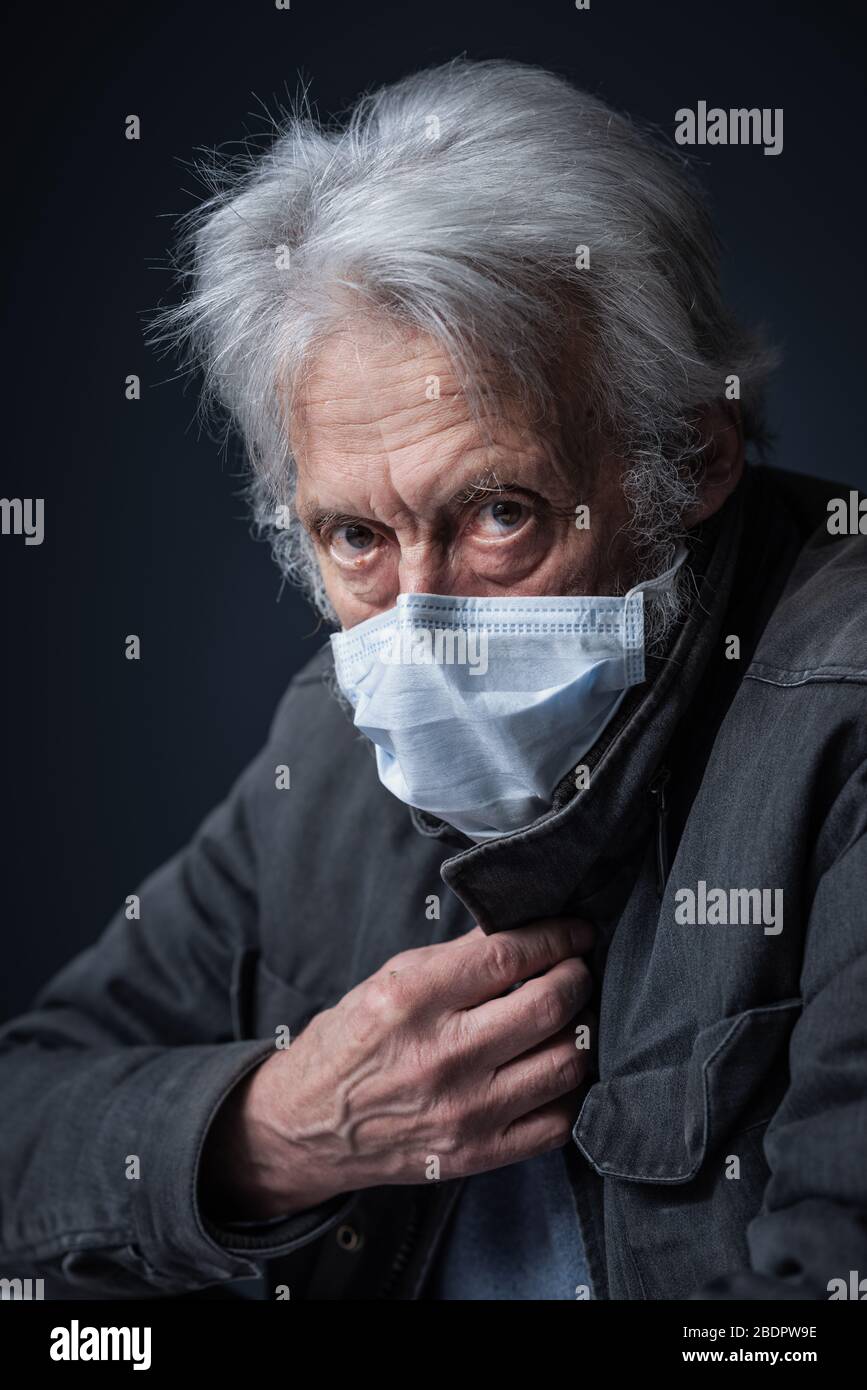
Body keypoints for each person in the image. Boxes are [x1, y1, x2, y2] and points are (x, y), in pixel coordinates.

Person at [1, 58, 865, 1301]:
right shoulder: (327, 745)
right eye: (355, 538)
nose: (423, 627)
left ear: (688, 456)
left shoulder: (844, 711)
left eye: (499, 513)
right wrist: (269, 1128)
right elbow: (27, 1119)